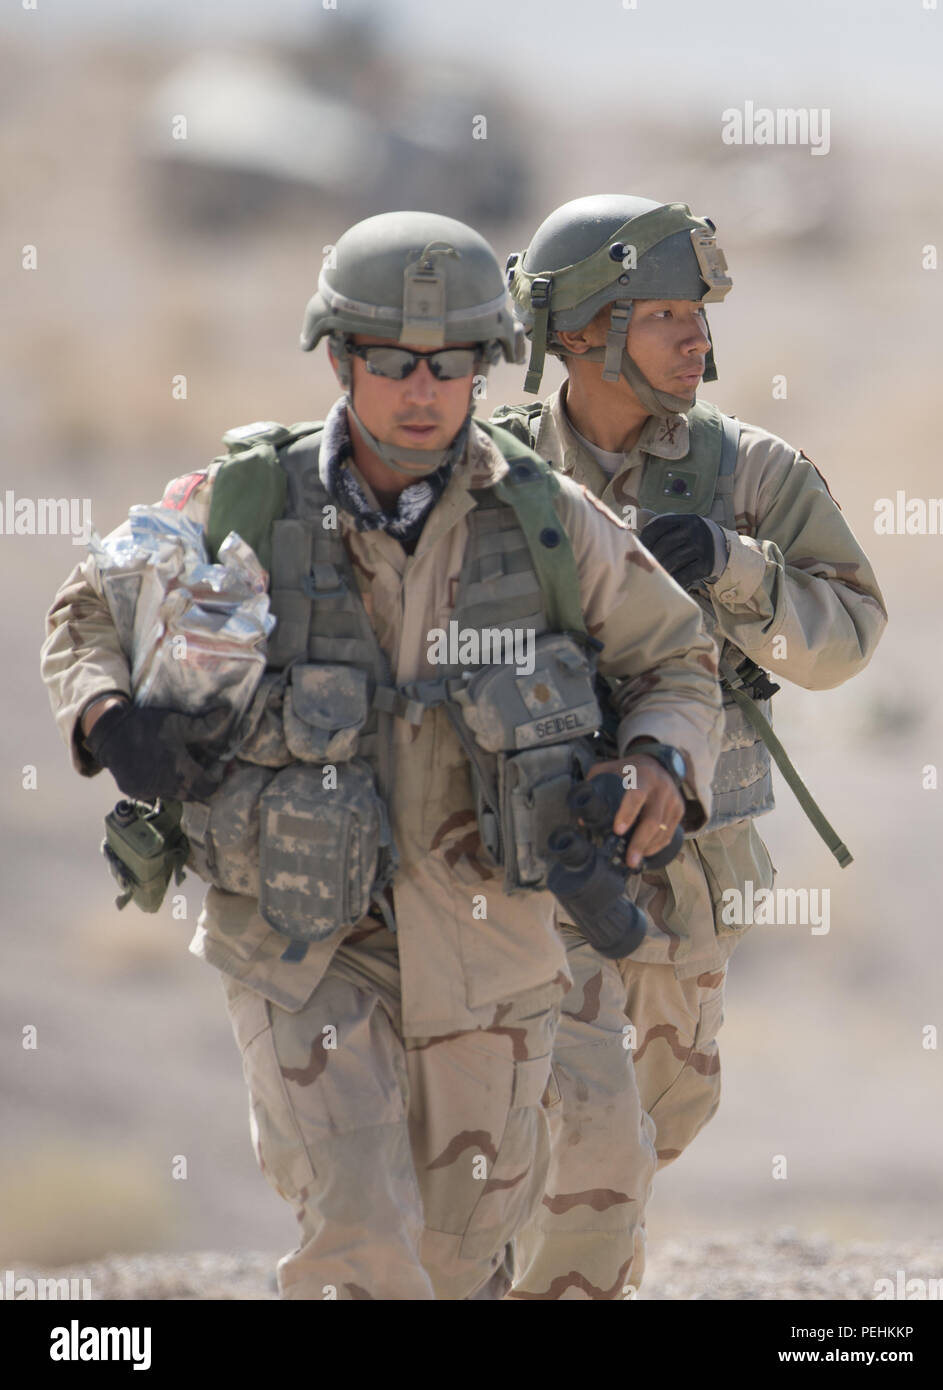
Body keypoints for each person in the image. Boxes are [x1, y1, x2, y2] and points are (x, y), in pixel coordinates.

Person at [40, 210, 724, 1301]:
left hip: (492, 957)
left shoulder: (549, 522)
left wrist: (656, 763)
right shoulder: (246, 504)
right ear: (339, 358)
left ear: (483, 367)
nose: (423, 390)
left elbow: (677, 656)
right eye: (395, 363)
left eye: (451, 365)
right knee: (358, 1242)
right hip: (305, 947)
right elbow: (86, 610)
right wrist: (107, 716)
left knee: (459, 1269)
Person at [493, 193, 888, 1299]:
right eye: (665, 312)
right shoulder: (497, 473)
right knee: (578, 1128)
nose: (697, 337)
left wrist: (734, 565)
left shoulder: (750, 472)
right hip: (533, 857)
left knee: (666, 1107)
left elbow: (848, 636)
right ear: (581, 332)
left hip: (688, 867)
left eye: (698, 313)